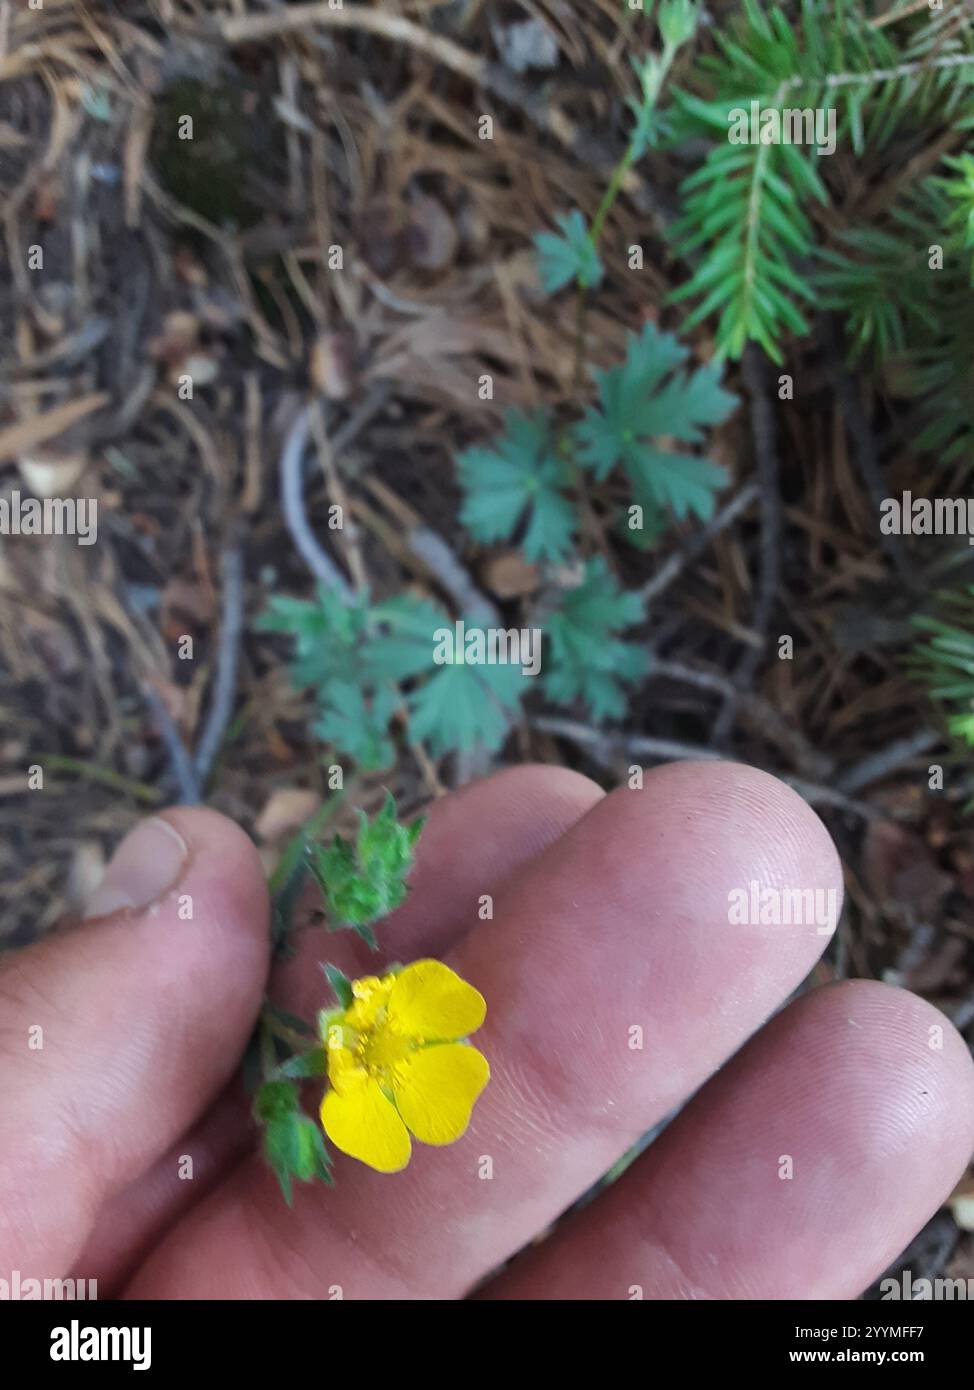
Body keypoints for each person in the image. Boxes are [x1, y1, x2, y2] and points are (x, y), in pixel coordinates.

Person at [1, 761, 971, 1299]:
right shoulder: (342, 1040)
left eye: (367, 1041)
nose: (366, 1046)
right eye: (365, 1037)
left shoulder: (395, 1028)